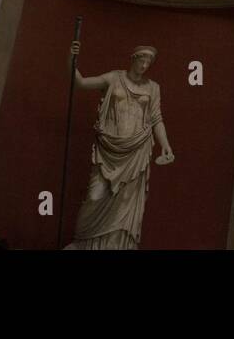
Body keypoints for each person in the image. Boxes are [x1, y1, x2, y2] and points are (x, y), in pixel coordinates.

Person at [65, 43, 173, 250]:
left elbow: (156, 118)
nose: (144, 65)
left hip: (136, 151)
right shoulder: (114, 78)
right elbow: (79, 82)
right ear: (133, 59)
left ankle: (115, 246)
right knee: (94, 196)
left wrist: (165, 145)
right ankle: (83, 244)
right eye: (141, 60)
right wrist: (71, 59)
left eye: (148, 62)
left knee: (124, 203)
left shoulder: (153, 88)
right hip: (109, 150)